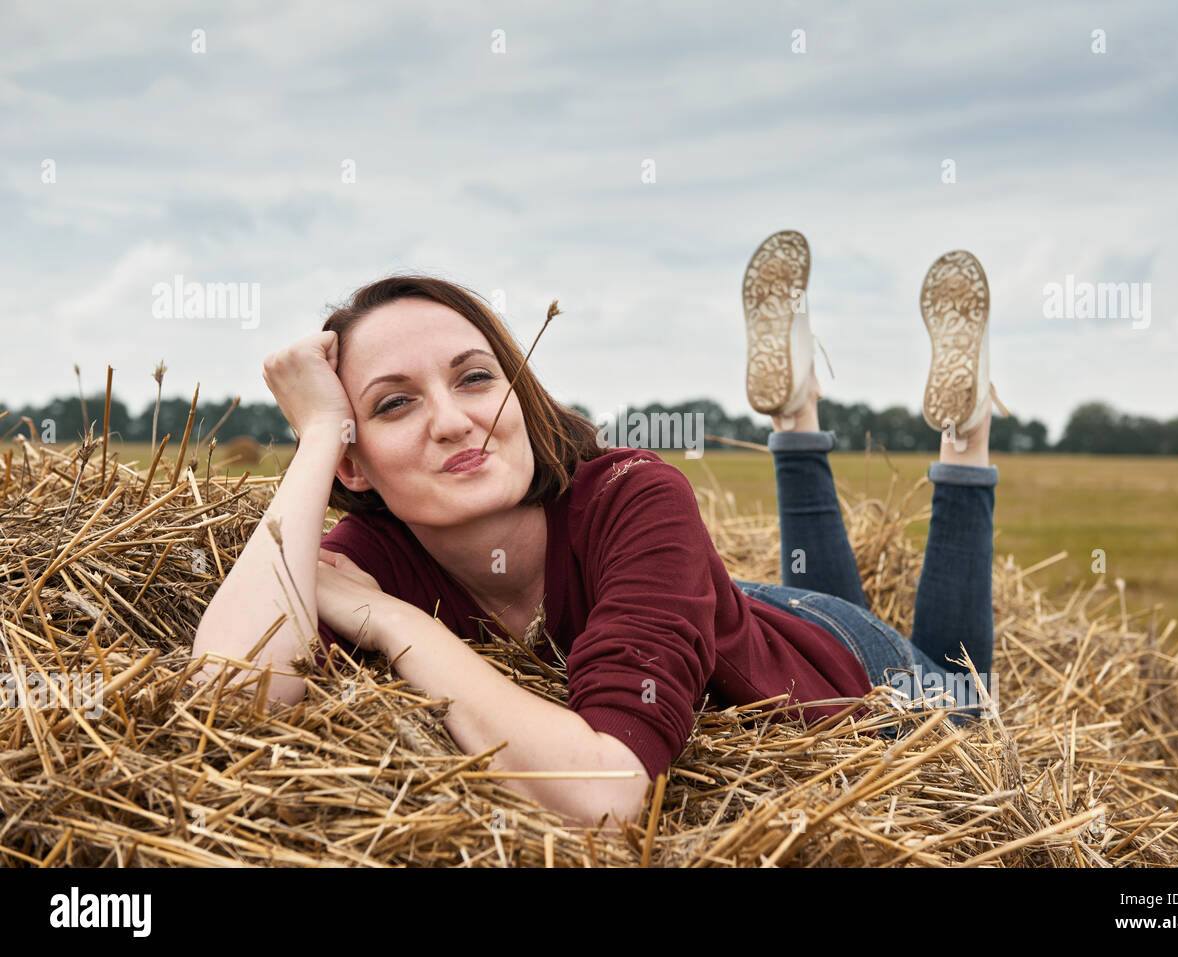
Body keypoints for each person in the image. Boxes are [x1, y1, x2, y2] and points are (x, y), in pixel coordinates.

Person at [190, 233, 1000, 833]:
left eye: (475, 377)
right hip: (700, 606)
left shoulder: (634, 492)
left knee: (972, 693)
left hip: (853, 667)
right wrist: (316, 437)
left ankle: (965, 441)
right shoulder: (371, 554)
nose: (454, 420)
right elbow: (230, 696)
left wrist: (394, 624)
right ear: (355, 465)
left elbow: (606, 797)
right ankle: (799, 411)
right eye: (393, 403)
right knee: (776, 592)